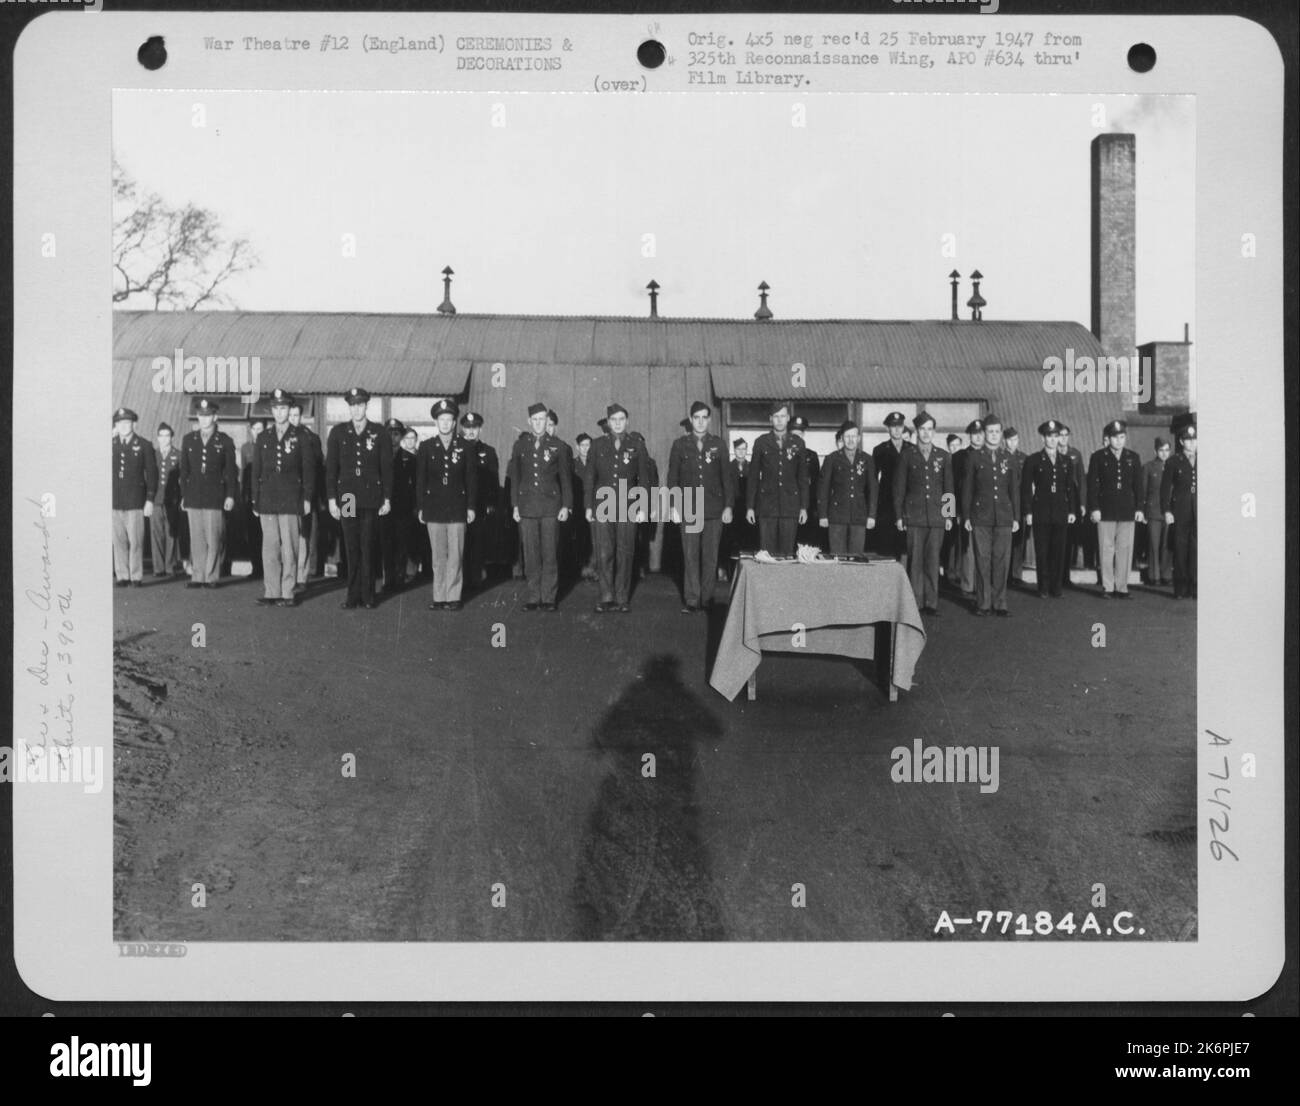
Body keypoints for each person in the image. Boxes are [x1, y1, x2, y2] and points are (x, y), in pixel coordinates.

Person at [325, 387, 393, 610]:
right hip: (348, 497)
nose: (356, 409)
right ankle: (352, 595)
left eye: (360, 404)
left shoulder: (379, 432)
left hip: (371, 497)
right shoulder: (338, 433)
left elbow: (387, 469)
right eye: (353, 405)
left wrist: (387, 498)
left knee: (368, 545)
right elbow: (331, 470)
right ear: (349, 407)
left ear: (366, 406)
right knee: (351, 546)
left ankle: (368, 595)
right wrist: (332, 499)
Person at [666, 401, 734, 613]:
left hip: (714, 509)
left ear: (709, 420)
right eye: (697, 418)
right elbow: (672, 478)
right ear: (691, 420)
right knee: (691, 555)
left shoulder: (719, 444)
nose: (701, 422)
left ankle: (708, 598)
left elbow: (727, 479)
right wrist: (674, 506)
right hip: (689, 509)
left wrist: (728, 506)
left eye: (705, 417)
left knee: (710, 556)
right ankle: (692, 599)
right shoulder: (680, 445)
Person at [250, 389, 314, 608]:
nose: (279, 413)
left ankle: (288, 592)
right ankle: (271, 591)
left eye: (283, 408)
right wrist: (255, 500)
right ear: (272, 410)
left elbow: (308, 470)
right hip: (267, 500)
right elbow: (256, 472)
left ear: (290, 409)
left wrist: (306, 498)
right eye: (276, 408)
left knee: (290, 548)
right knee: (269, 547)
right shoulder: (263, 437)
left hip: (290, 499)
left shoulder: (301, 436)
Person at [586, 403, 651, 612]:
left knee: (625, 552)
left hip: (628, 506)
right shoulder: (597, 445)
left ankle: (622, 598)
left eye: (621, 419)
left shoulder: (637, 445)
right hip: (603, 506)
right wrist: (588, 506)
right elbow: (589, 479)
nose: (617, 423)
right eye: (613, 420)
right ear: (607, 423)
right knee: (604, 553)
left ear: (627, 421)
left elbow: (644, 479)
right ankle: (606, 596)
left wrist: (642, 507)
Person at [416, 399, 477, 611]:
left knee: (456, 555)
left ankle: (454, 596)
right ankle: (439, 596)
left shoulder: (466, 447)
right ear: (436, 422)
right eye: (441, 420)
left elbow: (471, 479)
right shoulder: (426, 447)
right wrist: (421, 507)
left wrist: (471, 507)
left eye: (449, 420)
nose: (445, 424)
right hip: (434, 508)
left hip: (458, 507)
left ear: (454, 423)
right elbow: (420, 481)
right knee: (438, 556)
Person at [510, 402, 572, 611]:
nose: (538, 424)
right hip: (527, 506)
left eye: (542, 420)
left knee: (549, 552)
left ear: (548, 422)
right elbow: (516, 477)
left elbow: (565, 478)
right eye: (534, 420)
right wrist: (515, 506)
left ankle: (548, 597)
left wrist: (566, 505)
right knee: (531, 553)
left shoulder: (559, 446)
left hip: (550, 507)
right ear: (529, 422)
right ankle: (533, 595)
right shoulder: (520, 445)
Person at [893, 412, 953, 614]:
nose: (926, 433)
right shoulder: (907, 455)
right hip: (914, 516)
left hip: (937, 517)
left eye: (930, 429)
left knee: (933, 560)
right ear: (917, 431)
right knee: (915, 561)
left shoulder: (943, 456)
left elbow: (948, 488)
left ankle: (931, 602)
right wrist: (900, 516)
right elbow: (899, 488)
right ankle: (917, 602)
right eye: (922, 429)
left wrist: (948, 516)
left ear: (934, 432)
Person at [961, 414, 1020, 617]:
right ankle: (983, 603)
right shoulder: (974, 458)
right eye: (990, 431)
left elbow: (1015, 491)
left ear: (1001, 434)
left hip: (1004, 516)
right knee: (982, 559)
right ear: (984, 434)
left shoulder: (1009, 458)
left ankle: (1000, 602)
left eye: (997, 432)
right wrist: (967, 516)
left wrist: (1016, 518)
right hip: (981, 516)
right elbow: (967, 489)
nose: (993, 435)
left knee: (1002, 560)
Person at [179, 398, 238, 589]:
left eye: (208, 416)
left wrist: (230, 495)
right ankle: (198, 576)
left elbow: (231, 472)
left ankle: (211, 577)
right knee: (197, 538)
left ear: (215, 416)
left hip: (215, 496)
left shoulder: (225, 441)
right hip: (194, 496)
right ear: (197, 417)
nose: (204, 420)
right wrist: (184, 495)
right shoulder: (189, 440)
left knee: (214, 538)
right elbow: (184, 472)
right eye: (201, 416)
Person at [1086, 418, 1145, 599]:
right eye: (1115, 437)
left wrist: (1139, 508)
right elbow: (1093, 486)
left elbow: (1138, 486)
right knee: (1106, 548)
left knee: (1125, 549)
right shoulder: (1098, 457)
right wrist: (1094, 508)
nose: (1119, 441)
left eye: (1122, 437)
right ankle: (1108, 586)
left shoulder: (1133, 457)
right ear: (1107, 438)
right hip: (1106, 510)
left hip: (1127, 510)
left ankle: (1122, 587)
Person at [1021, 420, 1079, 599]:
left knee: (1059, 551)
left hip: (1061, 512)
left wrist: (1072, 511)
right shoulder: (1033, 460)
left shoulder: (1066, 461)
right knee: (1042, 551)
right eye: (1049, 436)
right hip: (1041, 511)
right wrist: (1028, 512)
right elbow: (1025, 488)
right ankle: (1043, 587)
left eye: (1056, 436)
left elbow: (1070, 487)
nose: (1053, 440)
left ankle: (1056, 587)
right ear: (1043, 438)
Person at [746, 401, 809, 556]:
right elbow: (753, 477)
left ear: (788, 418)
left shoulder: (798, 443)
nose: (779, 420)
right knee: (767, 555)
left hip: (790, 507)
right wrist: (750, 507)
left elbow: (802, 478)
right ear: (770, 419)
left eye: (782, 416)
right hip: (767, 507)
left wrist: (803, 507)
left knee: (787, 555)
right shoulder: (761, 442)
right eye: (776, 416)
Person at [111, 407, 158, 587]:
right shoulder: (111, 444)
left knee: (136, 541)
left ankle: (136, 576)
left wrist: (150, 499)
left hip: (135, 501)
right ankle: (122, 575)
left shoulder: (144, 445)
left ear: (134, 424)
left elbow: (152, 475)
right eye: (120, 423)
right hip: (115, 501)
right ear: (116, 425)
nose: (123, 426)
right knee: (118, 541)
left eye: (127, 422)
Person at [818, 420, 877, 555]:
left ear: (859, 438)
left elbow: (873, 490)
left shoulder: (867, 459)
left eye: (854, 436)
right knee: (837, 557)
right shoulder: (832, 459)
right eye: (847, 436)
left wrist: (872, 515)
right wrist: (823, 515)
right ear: (842, 438)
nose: (851, 440)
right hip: (837, 516)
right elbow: (823, 489)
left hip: (859, 515)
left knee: (856, 558)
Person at [288, 401, 326, 588]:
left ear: (301, 417)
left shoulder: (311, 438)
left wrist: (316, 497)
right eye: (291, 416)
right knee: (286, 536)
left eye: (296, 416)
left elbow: (318, 468)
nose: (293, 420)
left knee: (303, 535)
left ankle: (301, 577)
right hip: (284, 494)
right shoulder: (278, 436)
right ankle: (287, 574)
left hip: (304, 494)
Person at [461, 411, 500, 592]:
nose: (470, 432)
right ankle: (460, 580)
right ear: (462, 429)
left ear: (480, 430)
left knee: (476, 542)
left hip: (479, 504)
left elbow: (493, 480)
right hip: (459, 504)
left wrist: (492, 503)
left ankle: (475, 579)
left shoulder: (488, 452)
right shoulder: (456, 449)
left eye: (474, 428)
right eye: (467, 428)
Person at [1161, 423, 1197, 599]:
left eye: (1194, 440)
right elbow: (1165, 488)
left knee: (1196, 551)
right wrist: (1166, 510)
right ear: (1182, 442)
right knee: (1180, 550)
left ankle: (1195, 587)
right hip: (1180, 511)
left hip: (1198, 512)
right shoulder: (1174, 461)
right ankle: (1181, 588)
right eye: (1188, 440)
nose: (1192, 443)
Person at [871, 411, 912, 558]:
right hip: (886, 504)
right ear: (887, 428)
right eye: (893, 426)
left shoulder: (912, 449)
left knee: (907, 547)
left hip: (908, 503)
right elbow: (873, 481)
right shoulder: (880, 450)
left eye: (900, 426)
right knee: (886, 546)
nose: (897, 430)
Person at [951, 420, 985, 596]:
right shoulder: (959, 457)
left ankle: (982, 586)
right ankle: (967, 585)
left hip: (986, 510)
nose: (978, 437)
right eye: (974, 434)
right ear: (969, 436)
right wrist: (950, 512)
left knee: (984, 550)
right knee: (967, 549)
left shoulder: (989, 454)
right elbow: (951, 485)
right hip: (965, 509)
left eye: (981, 433)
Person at [150, 422, 183, 577]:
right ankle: (158, 567)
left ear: (171, 437)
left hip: (172, 500)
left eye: (167, 435)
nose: (164, 439)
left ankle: (170, 565)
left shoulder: (178, 455)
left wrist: (182, 498)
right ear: (157, 438)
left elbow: (183, 479)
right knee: (156, 534)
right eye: (161, 436)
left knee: (171, 533)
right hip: (156, 499)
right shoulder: (153, 455)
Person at [390, 426, 420, 590]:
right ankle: (389, 577)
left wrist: (416, 505)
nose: (393, 438)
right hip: (380, 506)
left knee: (402, 543)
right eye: (390, 434)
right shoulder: (381, 454)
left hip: (403, 506)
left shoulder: (410, 458)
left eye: (396, 434)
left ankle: (400, 577)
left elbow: (416, 484)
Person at [1142, 437, 1174, 586]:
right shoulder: (1148, 467)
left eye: (1167, 450)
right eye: (1161, 450)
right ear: (1155, 451)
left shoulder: (1174, 466)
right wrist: (1142, 511)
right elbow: (1143, 491)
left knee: (1168, 545)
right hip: (1154, 511)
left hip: (1170, 512)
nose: (1164, 453)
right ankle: (1154, 576)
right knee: (1154, 545)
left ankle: (1166, 574)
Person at [1058, 424, 1087, 587]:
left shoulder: (1075, 454)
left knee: (1069, 540)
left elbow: (1081, 480)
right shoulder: (1052, 453)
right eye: (1060, 435)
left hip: (1072, 501)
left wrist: (1082, 503)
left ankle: (1065, 576)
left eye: (1066, 435)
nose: (1063, 438)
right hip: (1056, 500)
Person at [791, 414, 822, 549]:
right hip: (789, 506)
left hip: (807, 507)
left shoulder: (812, 456)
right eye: (794, 434)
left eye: (800, 434)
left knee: (807, 545)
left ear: (804, 435)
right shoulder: (784, 455)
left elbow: (816, 484)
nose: (797, 437)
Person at [1003, 427, 1027, 587]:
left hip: (1020, 503)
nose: (1013, 443)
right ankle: (1003, 574)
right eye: (1010, 440)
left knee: (1019, 540)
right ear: (1004, 441)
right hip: (1004, 503)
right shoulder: (1000, 456)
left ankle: (1016, 574)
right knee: (1004, 540)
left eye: (1015, 440)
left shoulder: (1024, 458)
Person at [571, 431, 595, 581]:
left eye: (588, 445)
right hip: (578, 507)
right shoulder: (572, 465)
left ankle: (592, 568)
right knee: (579, 538)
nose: (585, 448)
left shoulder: (596, 464)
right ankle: (579, 568)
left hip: (592, 507)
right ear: (577, 447)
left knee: (594, 539)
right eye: (583, 445)